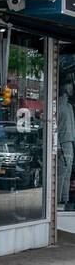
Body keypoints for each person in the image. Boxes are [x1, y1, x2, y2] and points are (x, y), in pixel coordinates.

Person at [59, 80, 74, 211]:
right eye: (69, 85)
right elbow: (54, 128)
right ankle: (59, 202)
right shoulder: (59, 106)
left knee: (67, 174)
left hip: (70, 143)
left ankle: (64, 200)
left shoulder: (69, 107)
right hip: (63, 144)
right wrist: (58, 147)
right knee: (62, 174)